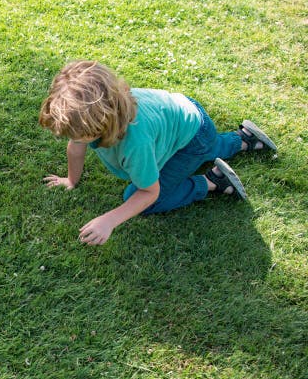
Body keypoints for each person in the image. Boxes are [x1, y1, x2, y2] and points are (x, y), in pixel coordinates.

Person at [39, 60, 276, 246]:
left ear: (102, 124)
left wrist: (109, 220)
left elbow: (149, 192)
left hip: (193, 135)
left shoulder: (134, 144)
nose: (73, 138)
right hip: (188, 116)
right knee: (209, 144)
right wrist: (71, 180)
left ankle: (214, 181)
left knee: (140, 197)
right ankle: (244, 139)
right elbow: (76, 148)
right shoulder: (109, 107)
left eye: (78, 134)